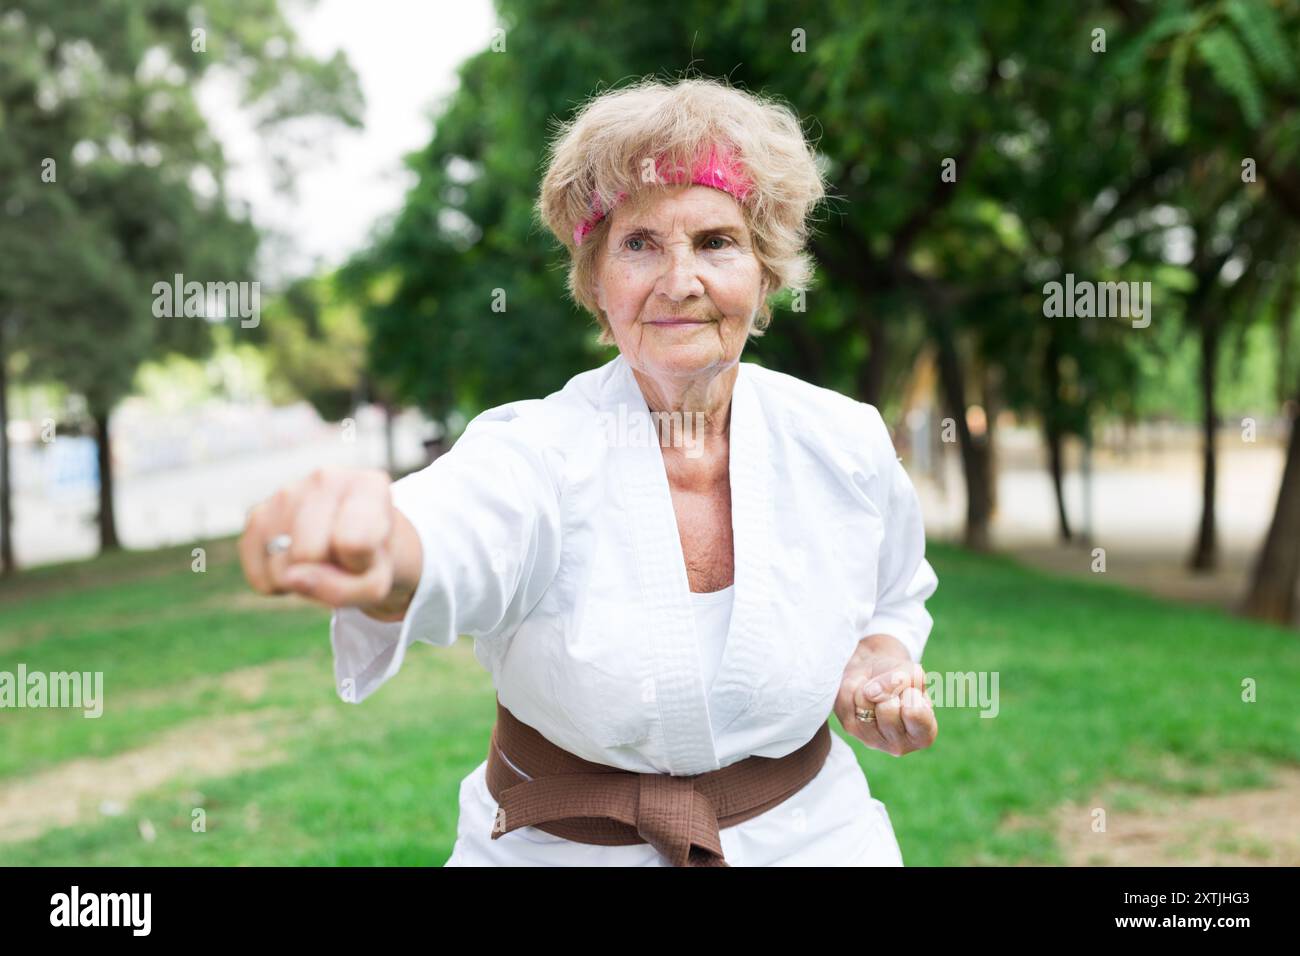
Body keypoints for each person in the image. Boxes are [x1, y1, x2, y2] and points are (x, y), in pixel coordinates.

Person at [238, 76, 939, 866]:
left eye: (716, 241)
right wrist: (377, 547)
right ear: (597, 287)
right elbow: (453, 533)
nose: (681, 281)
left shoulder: (845, 441)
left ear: (764, 273)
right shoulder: (533, 453)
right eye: (639, 244)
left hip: (816, 839)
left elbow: (895, 589)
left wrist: (880, 653)